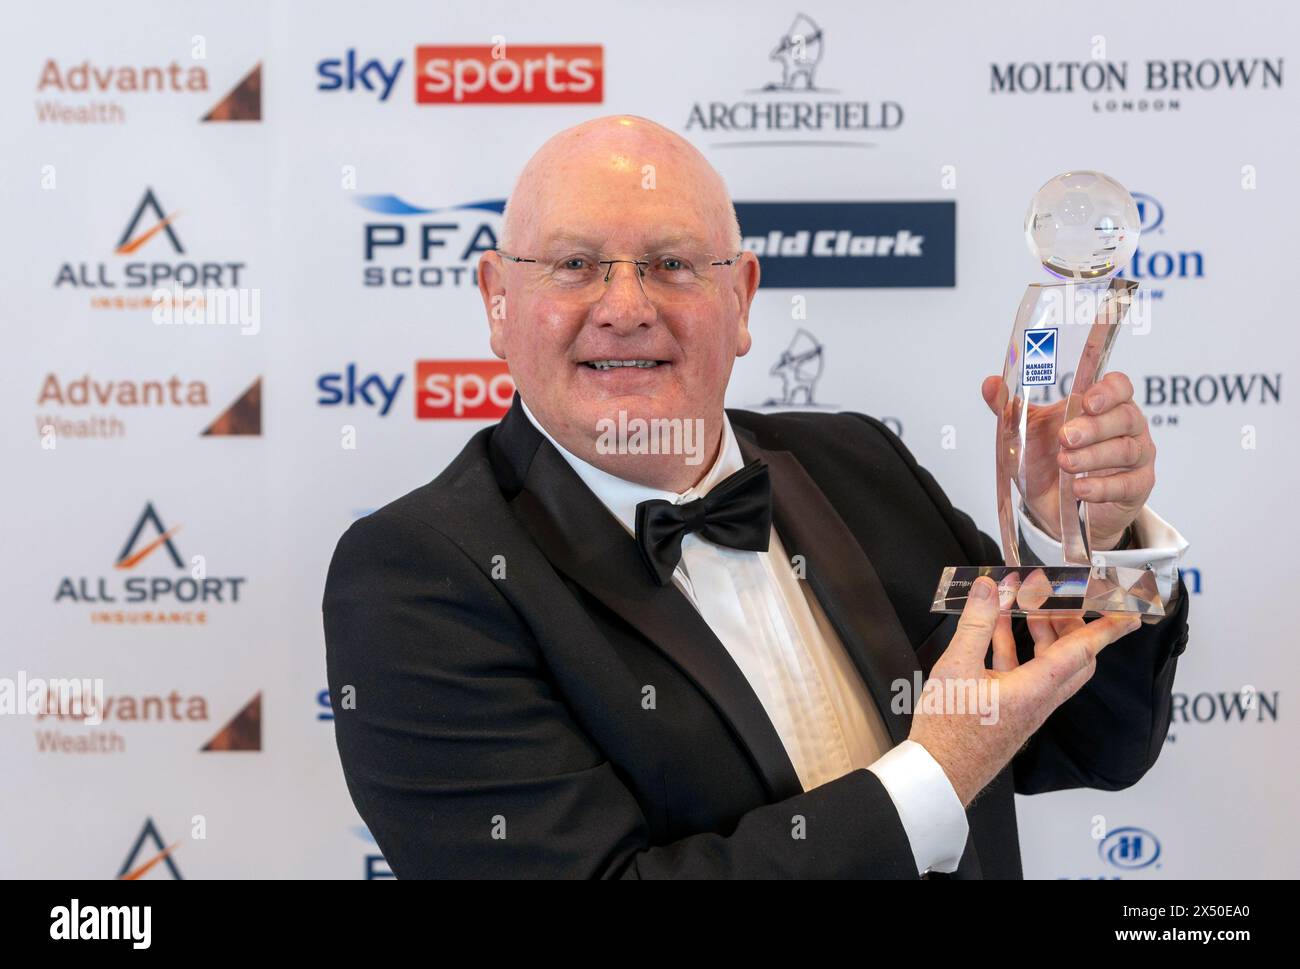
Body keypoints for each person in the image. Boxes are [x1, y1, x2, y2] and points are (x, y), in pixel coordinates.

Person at [323, 115, 1190, 879]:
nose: (624, 307)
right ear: (498, 302)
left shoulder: (858, 460)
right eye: (575, 264)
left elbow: (1095, 741)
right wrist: (936, 775)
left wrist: (1080, 537)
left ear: (741, 300)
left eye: (671, 263)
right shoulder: (418, 579)